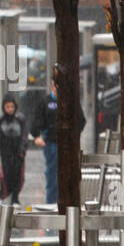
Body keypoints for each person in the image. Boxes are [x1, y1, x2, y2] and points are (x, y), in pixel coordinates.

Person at [31, 76, 87, 205]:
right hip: (52, 144)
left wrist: (73, 136)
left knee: (69, 174)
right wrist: (37, 136)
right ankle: (51, 203)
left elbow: (81, 120)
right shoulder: (45, 102)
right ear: (52, 87)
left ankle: (68, 203)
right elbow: (36, 122)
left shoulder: (70, 102)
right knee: (53, 174)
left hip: (68, 144)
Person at [0, 95, 27, 204]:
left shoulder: (20, 119)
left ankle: (15, 197)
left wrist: (23, 149)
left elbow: (24, 135)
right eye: (7, 107)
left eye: (12, 106)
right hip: (5, 152)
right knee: (6, 175)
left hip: (18, 152)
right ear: (3, 107)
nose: (10, 109)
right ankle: (3, 193)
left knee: (18, 175)